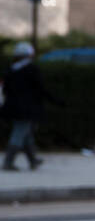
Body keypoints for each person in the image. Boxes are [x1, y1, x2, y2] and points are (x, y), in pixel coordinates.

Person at [2, 42, 54, 171]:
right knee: (19, 133)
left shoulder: (10, 70)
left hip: (12, 107)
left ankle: (33, 160)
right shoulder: (31, 70)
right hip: (26, 109)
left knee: (27, 134)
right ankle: (8, 162)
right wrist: (56, 100)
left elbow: (5, 90)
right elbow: (40, 89)